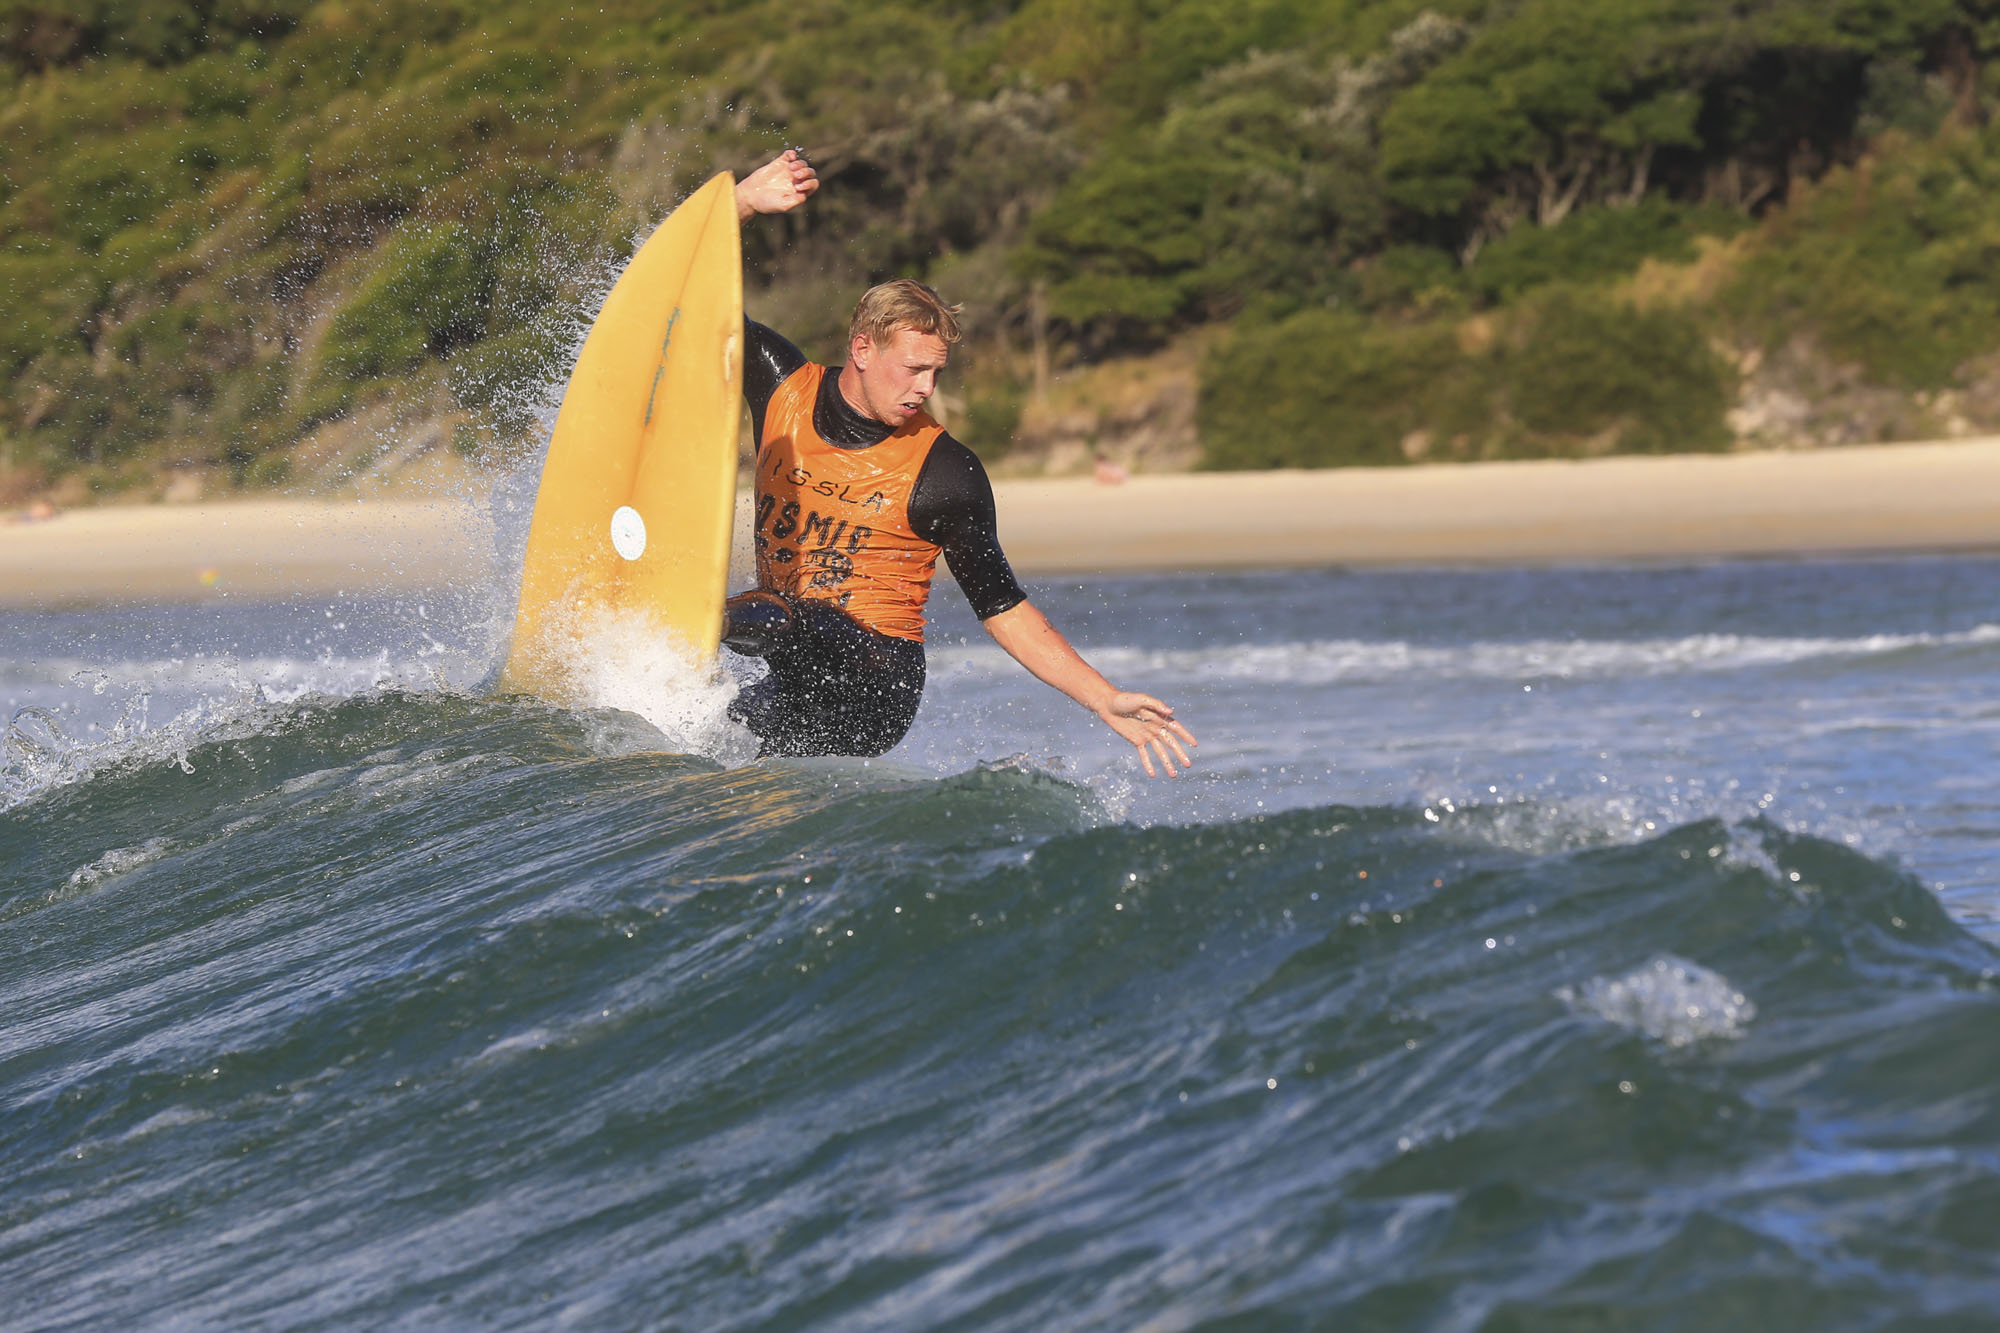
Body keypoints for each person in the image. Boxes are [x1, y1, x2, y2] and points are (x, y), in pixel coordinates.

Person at [719, 150, 1197, 777]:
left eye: (935, 372)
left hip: (875, 685)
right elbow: (691, 294)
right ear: (862, 348)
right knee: (714, 735)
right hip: (795, 671)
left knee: (764, 616)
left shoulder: (944, 471)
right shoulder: (785, 388)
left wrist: (1103, 698)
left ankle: (696, 631)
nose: (924, 388)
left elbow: (1003, 607)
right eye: (913, 368)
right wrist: (745, 202)